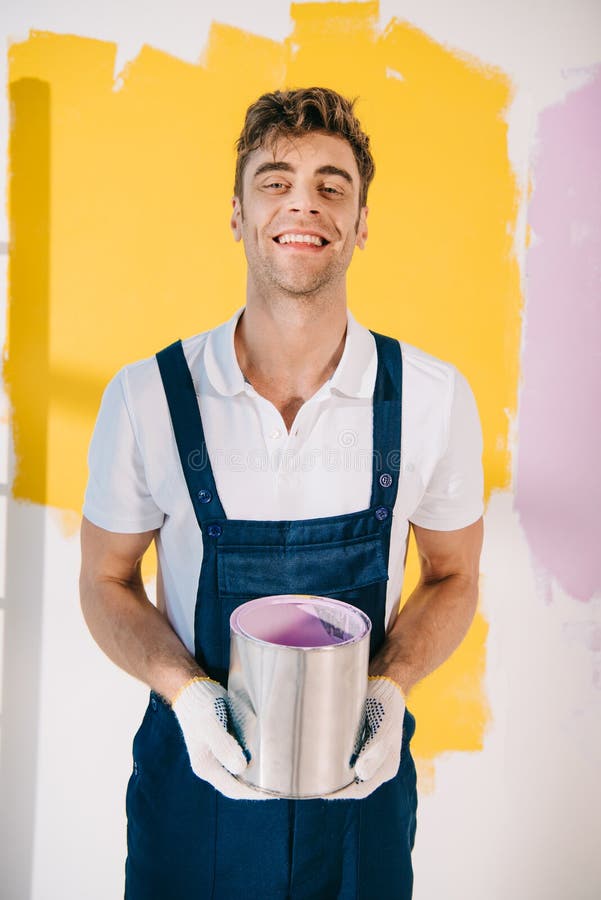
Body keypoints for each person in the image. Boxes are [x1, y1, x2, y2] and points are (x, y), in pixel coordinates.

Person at [79, 87, 484, 899]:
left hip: (356, 802)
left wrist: (388, 686)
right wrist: (187, 696)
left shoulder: (432, 397)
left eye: (332, 185)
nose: (304, 203)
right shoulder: (148, 395)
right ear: (236, 213)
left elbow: (453, 575)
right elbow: (104, 579)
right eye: (275, 181)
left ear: (361, 223)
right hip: (192, 800)